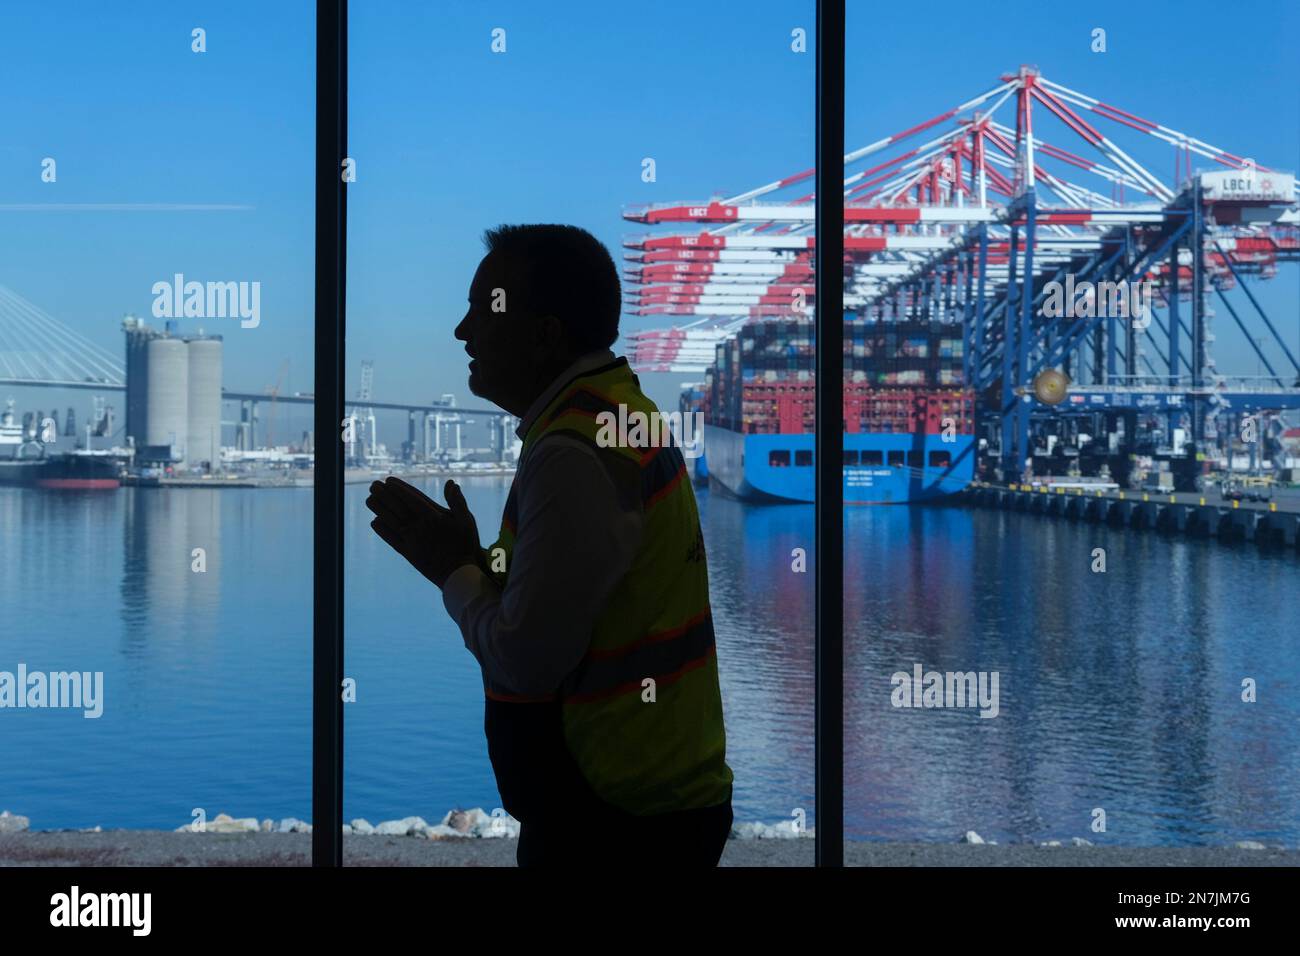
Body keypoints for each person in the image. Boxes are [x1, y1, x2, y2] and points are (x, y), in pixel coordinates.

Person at [365, 223, 733, 867]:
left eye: (485, 309)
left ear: (544, 334)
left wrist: (454, 573)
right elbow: (573, 599)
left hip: (616, 821)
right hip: (653, 796)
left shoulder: (573, 453)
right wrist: (479, 565)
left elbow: (528, 657)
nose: (462, 331)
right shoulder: (617, 416)